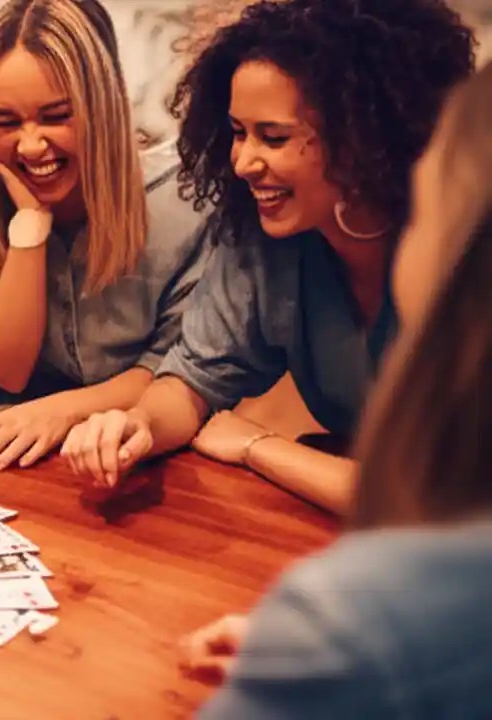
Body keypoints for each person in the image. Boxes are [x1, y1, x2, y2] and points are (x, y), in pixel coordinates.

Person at [63, 0, 475, 514]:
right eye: (238, 133)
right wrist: (138, 425)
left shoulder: (461, 249)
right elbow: (194, 379)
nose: (242, 162)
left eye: (273, 138)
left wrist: (257, 446)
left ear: (364, 137)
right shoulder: (265, 240)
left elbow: (442, 501)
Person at [183, 59, 492, 718]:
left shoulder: (344, 614)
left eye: (426, 207)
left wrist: (329, 646)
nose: (244, 161)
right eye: (238, 133)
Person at [0, 0, 211, 471]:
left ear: (104, 107)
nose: (31, 145)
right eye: (6, 122)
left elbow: (181, 370)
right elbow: (10, 371)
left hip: (156, 460)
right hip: (26, 458)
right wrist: (30, 227)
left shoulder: (185, 203)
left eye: (56, 116)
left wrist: (61, 412)